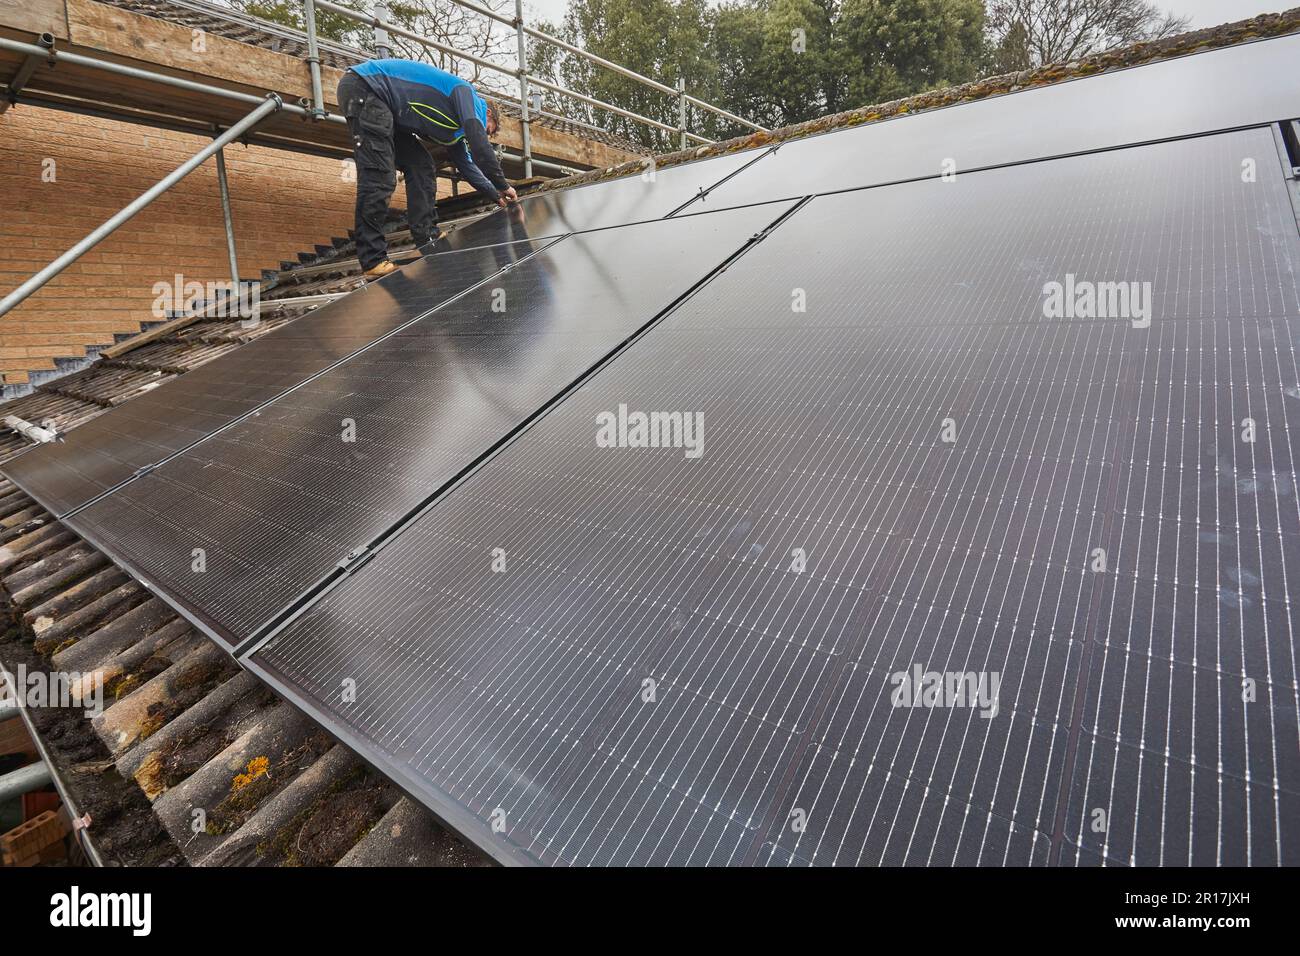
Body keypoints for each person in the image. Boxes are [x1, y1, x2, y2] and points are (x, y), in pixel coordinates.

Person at [337, 59, 520, 277]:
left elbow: (468, 166)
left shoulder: (454, 132)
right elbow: (480, 145)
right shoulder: (465, 93)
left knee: (422, 165)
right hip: (367, 89)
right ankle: (372, 260)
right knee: (380, 176)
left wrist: (496, 194)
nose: (487, 135)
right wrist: (503, 184)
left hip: (388, 111)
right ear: (488, 113)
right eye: (490, 131)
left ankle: (427, 237)